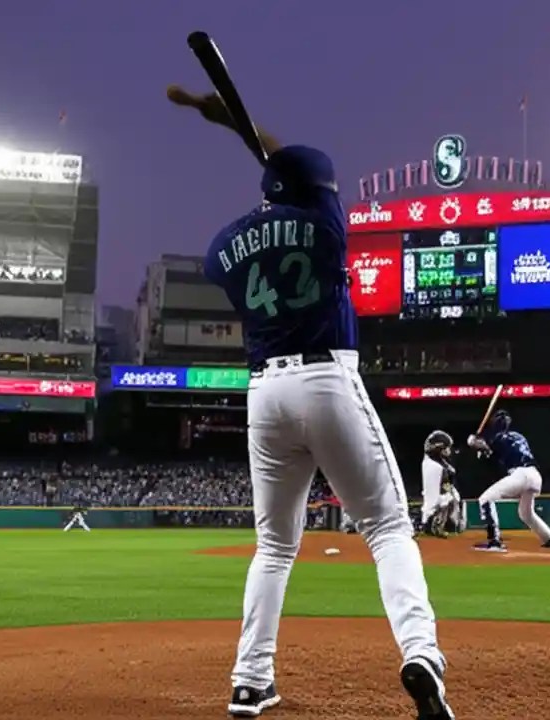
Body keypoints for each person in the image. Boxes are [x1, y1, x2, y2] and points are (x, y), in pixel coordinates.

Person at [169, 85, 454, 720]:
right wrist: (252, 139)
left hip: (262, 395)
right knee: (387, 527)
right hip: (328, 380)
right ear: (315, 188)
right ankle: (421, 654)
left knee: (273, 547)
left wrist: (254, 173)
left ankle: (249, 680)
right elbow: (299, 183)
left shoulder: (225, 244)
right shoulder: (326, 225)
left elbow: (253, 232)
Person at [466, 410, 550, 552]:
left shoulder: (499, 438)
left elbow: (486, 448)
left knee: (485, 499)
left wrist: (473, 442)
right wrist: (482, 449)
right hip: (535, 476)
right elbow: (492, 452)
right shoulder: (519, 436)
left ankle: (494, 542)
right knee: (526, 513)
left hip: (521, 474)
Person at [420, 431, 461, 537]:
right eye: (445, 448)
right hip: (435, 484)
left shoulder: (442, 463)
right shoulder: (432, 465)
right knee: (438, 500)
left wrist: (448, 489)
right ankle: (427, 524)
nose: (448, 450)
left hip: (444, 484)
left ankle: (449, 524)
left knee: (453, 497)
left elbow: (448, 479)